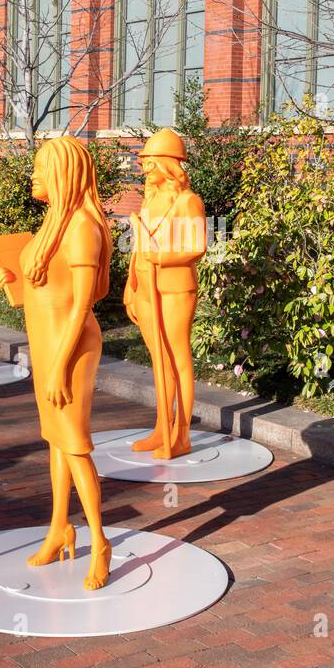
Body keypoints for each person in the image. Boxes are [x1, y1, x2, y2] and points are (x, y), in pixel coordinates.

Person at [0, 135, 113, 591]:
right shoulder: (52, 222)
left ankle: (99, 542)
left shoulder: (83, 227)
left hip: (71, 347)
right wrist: (12, 280)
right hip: (46, 342)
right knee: (55, 440)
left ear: (63, 171)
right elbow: (43, 290)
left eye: (41, 167)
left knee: (75, 443)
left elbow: (80, 307)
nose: (34, 174)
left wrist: (61, 364)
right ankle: (60, 527)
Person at [124, 129, 207, 459]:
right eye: (144, 162)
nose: (144, 169)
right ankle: (162, 428)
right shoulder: (150, 201)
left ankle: (182, 434)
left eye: (150, 163)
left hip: (174, 289)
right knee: (159, 361)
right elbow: (137, 247)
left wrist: (163, 258)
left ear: (169, 165)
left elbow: (197, 247)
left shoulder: (189, 202)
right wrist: (130, 287)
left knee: (177, 359)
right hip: (145, 288)